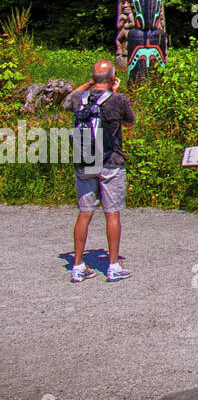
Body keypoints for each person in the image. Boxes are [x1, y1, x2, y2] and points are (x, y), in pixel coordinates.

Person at [64, 60, 136, 282]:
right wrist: (116, 91)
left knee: (85, 213)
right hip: (110, 161)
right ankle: (113, 265)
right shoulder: (118, 100)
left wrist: (88, 84)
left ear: (93, 78)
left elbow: (66, 101)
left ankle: (77, 266)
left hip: (85, 162)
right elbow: (131, 121)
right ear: (113, 78)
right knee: (111, 213)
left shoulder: (79, 99)